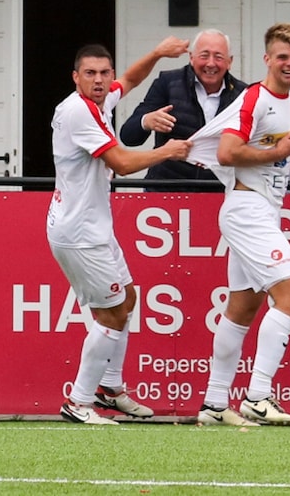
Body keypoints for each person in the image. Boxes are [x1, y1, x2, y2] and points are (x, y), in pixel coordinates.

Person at [187, 23, 290, 427]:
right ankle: (258, 396)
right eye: (281, 57)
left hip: (261, 210)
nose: (289, 64)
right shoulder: (256, 97)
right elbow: (227, 151)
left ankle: (215, 405)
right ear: (267, 59)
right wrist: (281, 152)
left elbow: (276, 141)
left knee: (242, 309)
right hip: (246, 208)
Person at [48, 38, 193, 424]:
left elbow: (131, 78)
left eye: (104, 73)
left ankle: (110, 389)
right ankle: (78, 402)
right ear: (75, 77)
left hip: (93, 226)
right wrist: (168, 151)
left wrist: (158, 53)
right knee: (111, 314)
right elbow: (123, 163)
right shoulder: (80, 112)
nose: (100, 80)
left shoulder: (99, 101)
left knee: (126, 299)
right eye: (90, 74)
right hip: (80, 233)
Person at [119, 29, 247, 191]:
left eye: (219, 57)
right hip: (166, 192)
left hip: (219, 194)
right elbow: (128, 137)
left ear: (230, 62)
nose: (211, 63)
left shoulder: (244, 95)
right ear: (191, 58)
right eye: (204, 55)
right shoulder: (167, 83)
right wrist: (146, 121)